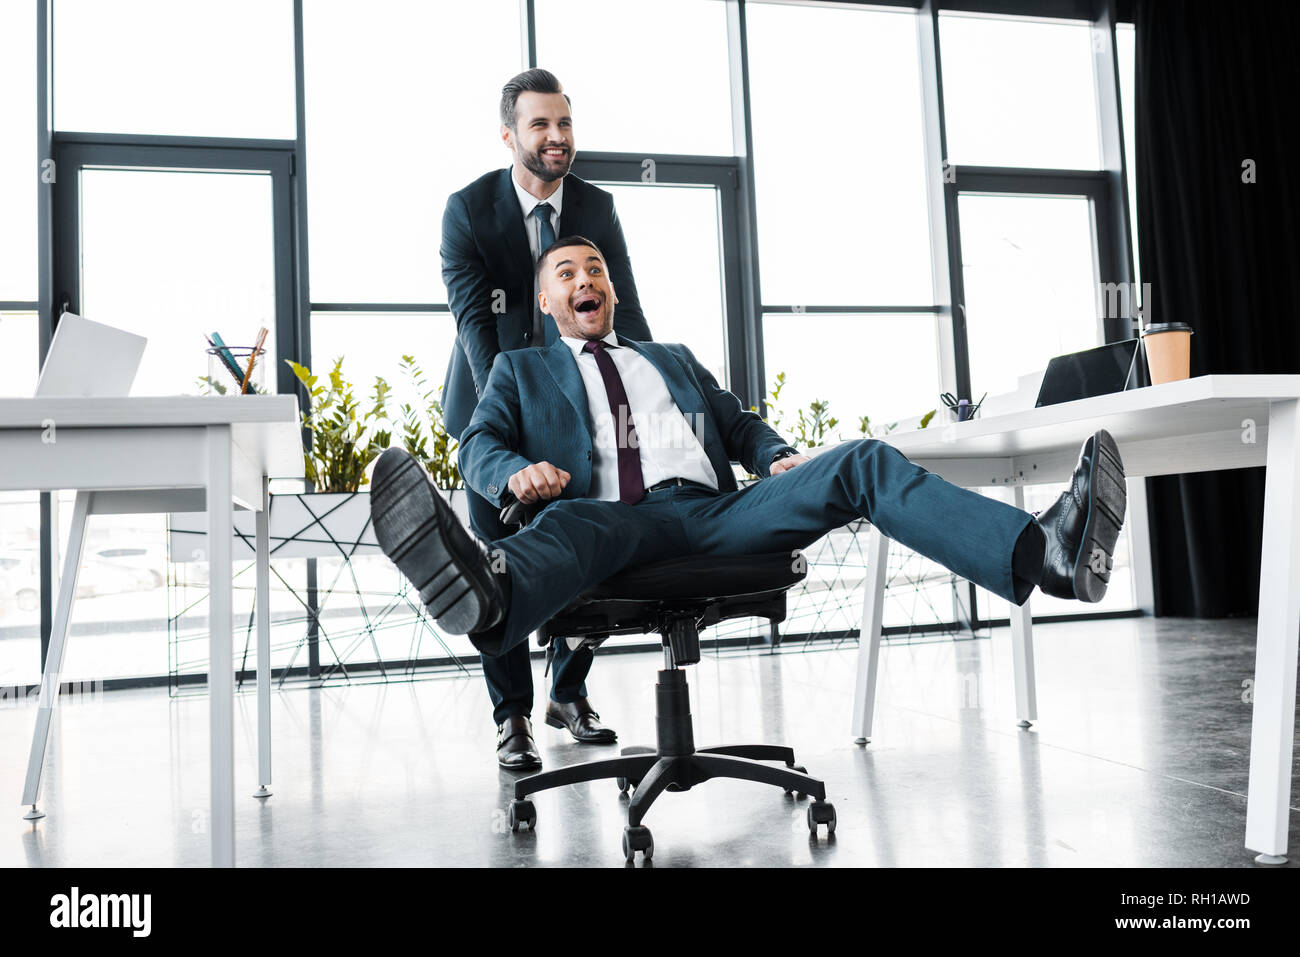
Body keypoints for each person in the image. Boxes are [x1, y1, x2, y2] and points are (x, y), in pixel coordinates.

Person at [377, 236, 1127, 674]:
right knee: (573, 526)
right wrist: (512, 470)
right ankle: (491, 596)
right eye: (567, 274)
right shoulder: (523, 369)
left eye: (596, 270)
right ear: (546, 302)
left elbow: (739, 426)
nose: (586, 281)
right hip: (612, 517)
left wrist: (775, 456)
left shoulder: (668, 356)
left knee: (862, 458)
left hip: (718, 512)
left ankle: (1046, 555)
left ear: (611, 288)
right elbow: (478, 440)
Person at [439, 70, 652, 770]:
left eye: (564, 123)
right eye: (540, 125)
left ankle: (566, 689)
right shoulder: (469, 211)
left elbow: (625, 309)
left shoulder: (596, 205)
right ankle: (513, 718)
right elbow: (477, 331)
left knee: (593, 549)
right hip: (493, 414)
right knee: (495, 565)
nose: (557, 137)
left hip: (582, 406)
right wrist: (505, 434)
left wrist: (653, 390)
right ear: (510, 135)